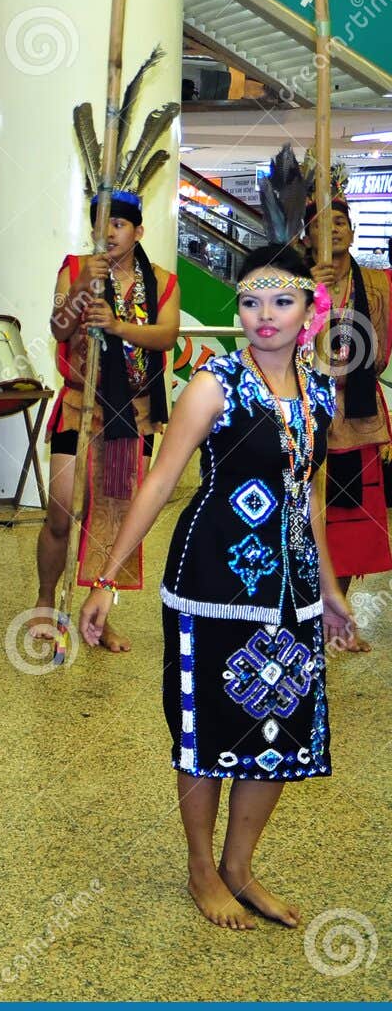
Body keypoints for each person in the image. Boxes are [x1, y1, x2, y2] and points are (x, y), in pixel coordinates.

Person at [78, 167, 351, 930]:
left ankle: (240, 865)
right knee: (207, 729)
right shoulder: (215, 383)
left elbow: (308, 495)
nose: (264, 314)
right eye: (251, 301)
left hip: (291, 588)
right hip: (208, 583)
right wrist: (106, 577)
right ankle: (202, 868)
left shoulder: (321, 391)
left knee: (280, 730)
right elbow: (161, 480)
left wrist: (328, 588)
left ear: (310, 309)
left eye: (282, 300)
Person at [34, 55, 181, 653]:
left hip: (132, 414)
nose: (111, 231)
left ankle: (97, 613)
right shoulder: (76, 267)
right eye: (102, 220)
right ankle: (46, 602)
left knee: (113, 520)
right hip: (76, 408)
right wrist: (82, 292)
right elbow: (58, 327)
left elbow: (167, 337)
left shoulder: (164, 280)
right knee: (63, 514)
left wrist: (118, 325)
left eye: (121, 223)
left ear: (138, 232)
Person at [303, 158, 392, 649]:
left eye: (341, 221)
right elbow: (282, 341)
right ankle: (307, 611)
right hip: (302, 411)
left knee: (351, 520)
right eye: (322, 223)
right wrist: (311, 298)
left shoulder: (377, 285)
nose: (333, 229)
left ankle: (339, 617)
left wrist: (344, 375)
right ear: (306, 237)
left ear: (354, 234)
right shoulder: (293, 281)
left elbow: (380, 350)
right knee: (305, 513)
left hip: (355, 414)